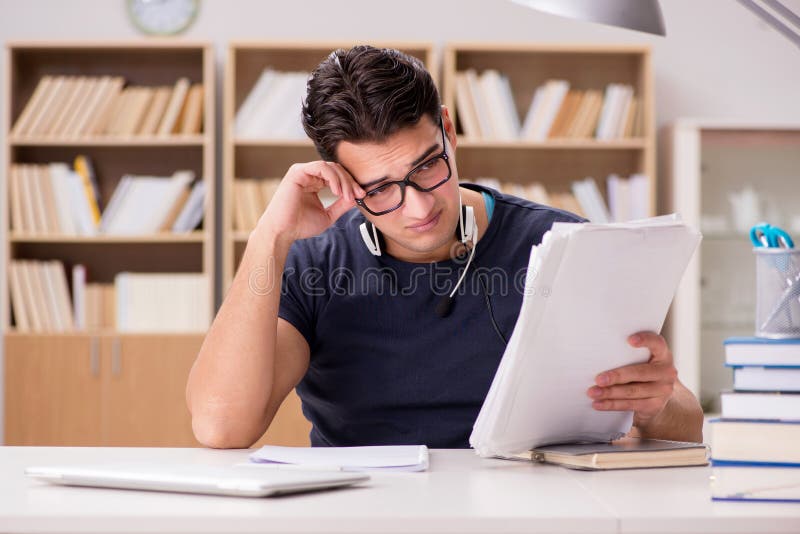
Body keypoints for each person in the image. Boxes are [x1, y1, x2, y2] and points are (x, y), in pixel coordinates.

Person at [186, 45, 703, 449]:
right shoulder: (314, 263)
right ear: (341, 182)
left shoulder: (565, 245)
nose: (417, 209)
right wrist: (267, 238)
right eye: (380, 189)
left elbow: (684, 421)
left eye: (427, 166)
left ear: (449, 131)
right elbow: (221, 425)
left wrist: (655, 405)